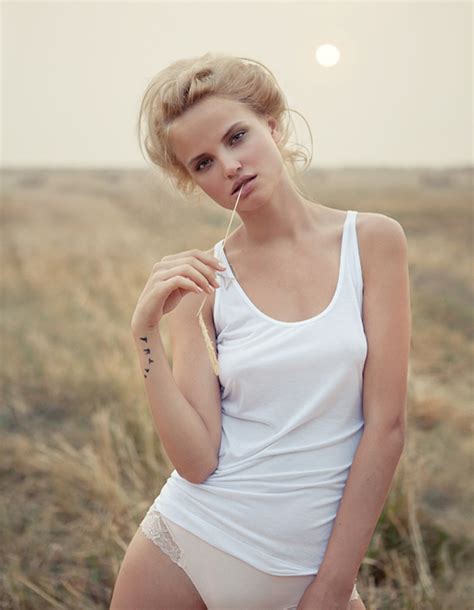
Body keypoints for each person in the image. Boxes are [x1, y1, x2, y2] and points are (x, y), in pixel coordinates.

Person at [109, 52, 410, 610]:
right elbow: (197, 460)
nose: (228, 166)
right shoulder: (205, 283)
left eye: (237, 137)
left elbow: (386, 427)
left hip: (309, 572)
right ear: (193, 181)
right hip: (189, 544)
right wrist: (145, 334)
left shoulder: (372, 242)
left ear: (273, 126)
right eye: (203, 162)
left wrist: (334, 586)